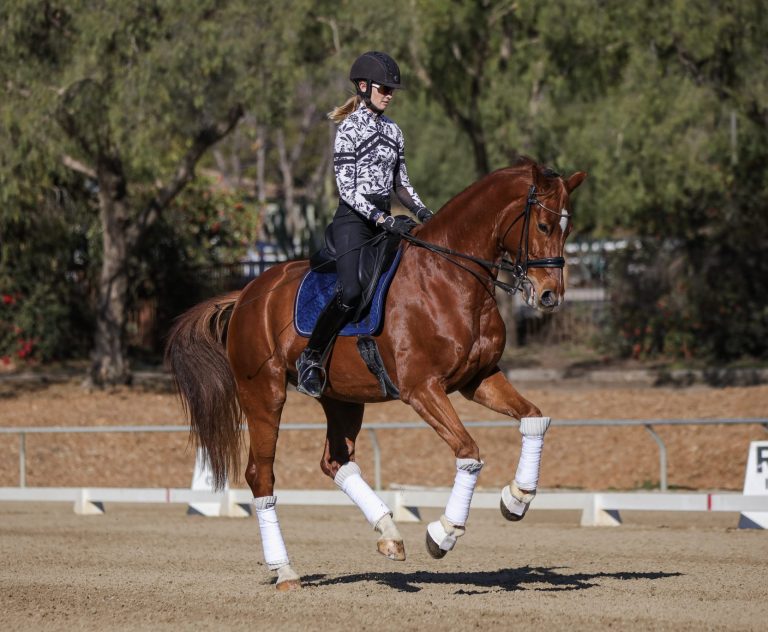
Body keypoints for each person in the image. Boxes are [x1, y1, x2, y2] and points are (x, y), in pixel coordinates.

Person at [296, 51, 434, 398]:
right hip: (353, 222)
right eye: (384, 88)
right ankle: (311, 357)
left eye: (392, 89)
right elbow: (348, 189)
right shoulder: (348, 130)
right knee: (352, 291)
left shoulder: (394, 131)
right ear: (363, 86)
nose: (389, 94)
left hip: (384, 221)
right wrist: (384, 219)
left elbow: (401, 184)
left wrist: (425, 214)